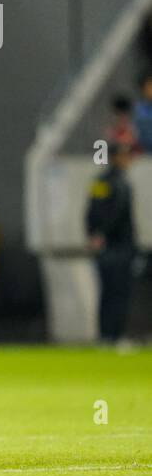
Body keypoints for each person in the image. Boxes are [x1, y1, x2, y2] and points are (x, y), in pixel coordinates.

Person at [87, 143, 136, 345]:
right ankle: (115, 336)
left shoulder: (100, 183)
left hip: (104, 247)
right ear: (116, 157)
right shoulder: (121, 184)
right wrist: (104, 234)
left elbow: (90, 211)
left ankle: (105, 335)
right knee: (118, 293)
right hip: (120, 247)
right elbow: (117, 215)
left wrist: (94, 234)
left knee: (106, 292)